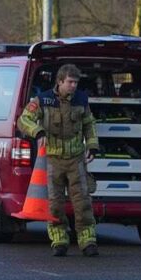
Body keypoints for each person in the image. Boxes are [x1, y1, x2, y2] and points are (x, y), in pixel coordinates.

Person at [16, 63, 99, 257]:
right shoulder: (43, 100)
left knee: (82, 202)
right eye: (70, 82)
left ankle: (88, 240)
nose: (73, 86)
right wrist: (38, 132)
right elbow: (23, 120)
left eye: (76, 82)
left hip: (76, 159)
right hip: (52, 161)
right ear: (60, 81)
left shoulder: (81, 100)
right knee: (54, 203)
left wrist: (92, 146)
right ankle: (59, 240)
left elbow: (89, 124)